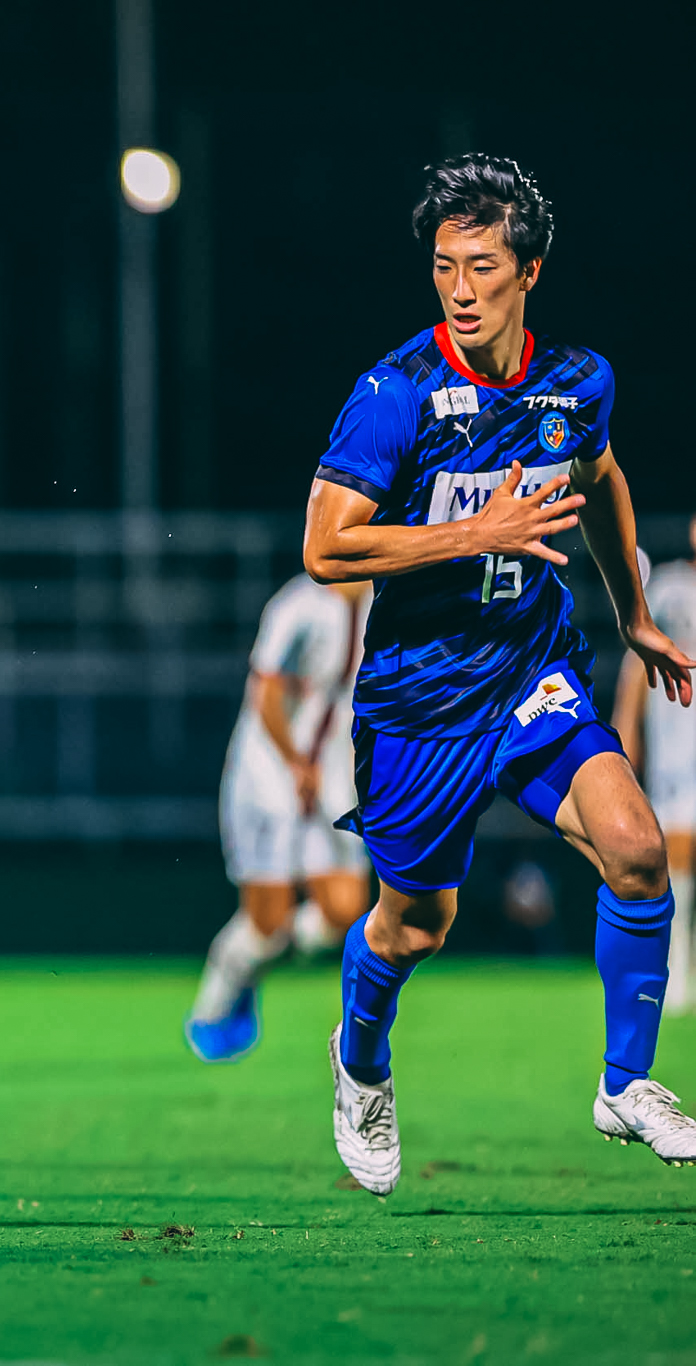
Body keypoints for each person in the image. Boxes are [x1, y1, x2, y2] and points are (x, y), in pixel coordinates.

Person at [305, 154, 696, 1195]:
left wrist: (637, 618)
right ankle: (360, 1061)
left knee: (635, 846)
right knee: (414, 925)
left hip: (528, 671)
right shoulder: (394, 394)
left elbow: (597, 474)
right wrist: (471, 532)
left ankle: (623, 1082)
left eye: (480, 266)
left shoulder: (576, 383)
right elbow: (324, 548)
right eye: (443, 268)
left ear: (528, 271)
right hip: (417, 703)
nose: (460, 289)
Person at [187, 574, 372, 1061]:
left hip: (329, 777)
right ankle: (217, 1002)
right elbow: (267, 692)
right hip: (269, 774)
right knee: (267, 923)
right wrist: (295, 762)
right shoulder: (298, 605)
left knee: (344, 912)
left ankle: (255, 964)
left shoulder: (382, 603)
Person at [615, 519, 696, 1014]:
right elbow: (634, 662)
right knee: (678, 853)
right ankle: (677, 971)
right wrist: (625, 732)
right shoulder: (668, 587)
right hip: (678, 734)